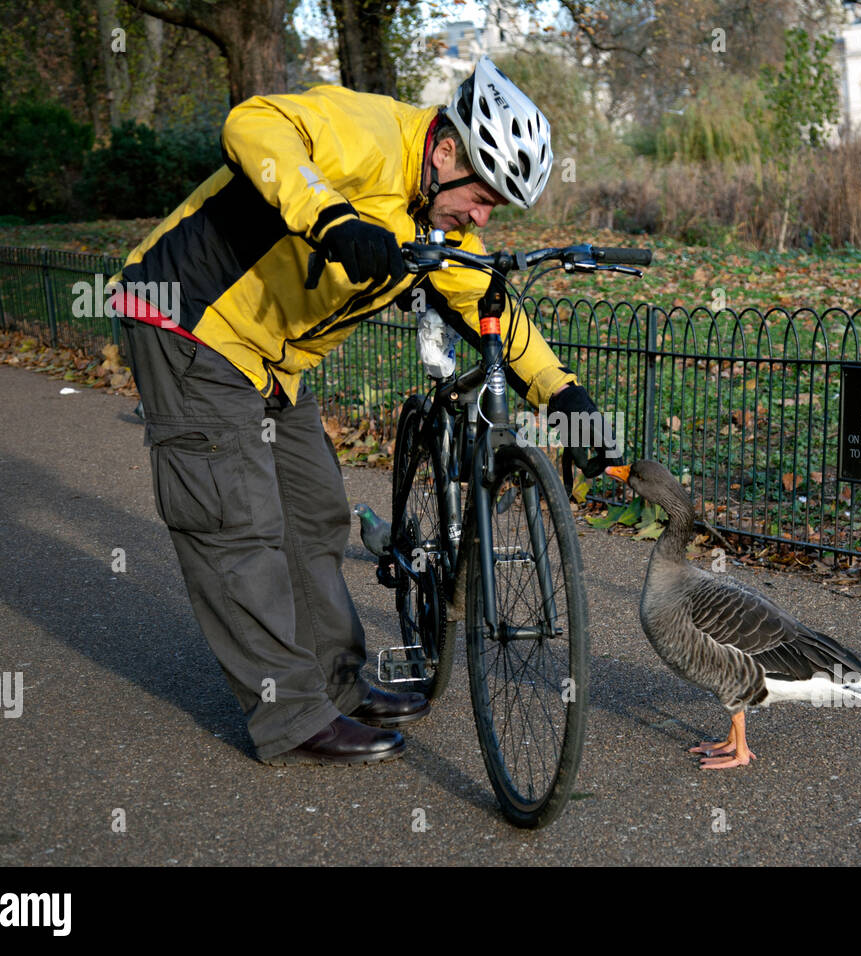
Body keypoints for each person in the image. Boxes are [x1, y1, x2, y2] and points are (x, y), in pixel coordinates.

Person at [111, 57, 619, 767]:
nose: (480, 218)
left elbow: (485, 299)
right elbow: (251, 123)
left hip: (270, 355)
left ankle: (337, 685)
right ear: (445, 151)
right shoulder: (371, 134)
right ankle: (289, 711)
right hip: (186, 318)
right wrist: (332, 217)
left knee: (315, 511)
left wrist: (566, 398)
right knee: (237, 521)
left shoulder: (433, 212)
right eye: (481, 194)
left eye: (495, 208)